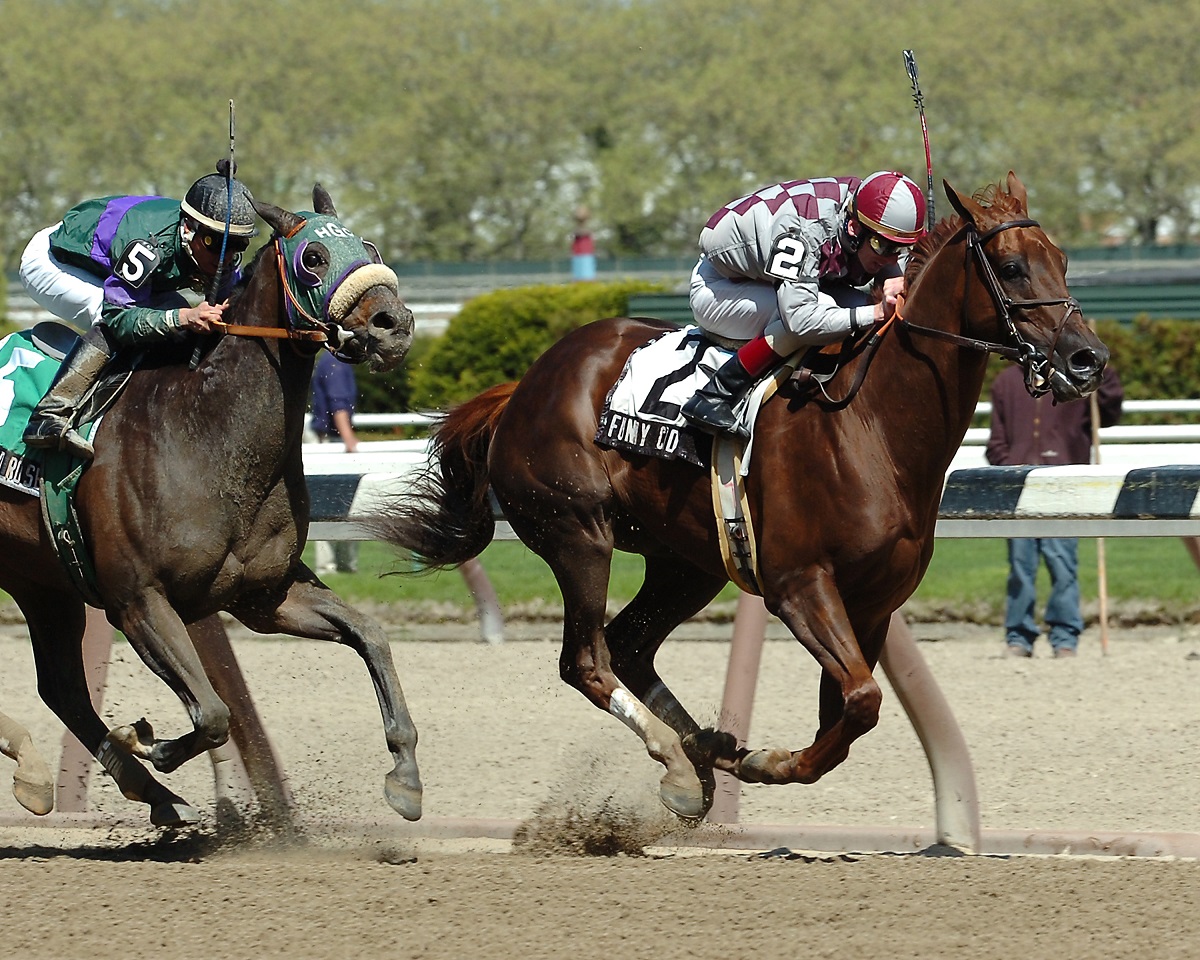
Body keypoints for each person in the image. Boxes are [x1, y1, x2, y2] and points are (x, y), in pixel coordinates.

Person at [18, 160, 258, 461]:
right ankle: (50, 414)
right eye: (214, 242)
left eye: (238, 244)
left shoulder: (223, 253)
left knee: (180, 318)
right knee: (116, 317)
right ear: (188, 228)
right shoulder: (148, 245)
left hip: (110, 262)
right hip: (54, 262)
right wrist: (184, 317)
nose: (226, 255)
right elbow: (119, 318)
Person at [681, 171, 927, 439]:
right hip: (720, 288)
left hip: (774, 281)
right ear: (854, 229)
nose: (891, 259)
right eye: (882, 246)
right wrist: (877, 311)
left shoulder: (865, 210)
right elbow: (800, 320)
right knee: (823, 308)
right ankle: (716, 393)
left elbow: (889, 273)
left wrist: (897, 282)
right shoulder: (803, 230)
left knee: (860, 305)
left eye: (899, 249)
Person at [986, 363, 1125, 658]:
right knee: (1021, 567)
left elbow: (1109, 413)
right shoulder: (1007, 382)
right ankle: (1019, 636)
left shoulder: (1075, 380)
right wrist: (1009, 465)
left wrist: (1103, 372)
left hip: (1064, 483)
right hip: (1019, 486)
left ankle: (1064, 636)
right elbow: (995, 442)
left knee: (1062, 563)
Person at [310, 349, 361, 575]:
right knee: (333, 502)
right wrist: (350, 442)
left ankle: (336, 564)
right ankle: (335, 565)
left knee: (333, 502)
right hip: (332, 441)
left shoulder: (331, 361)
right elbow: (338, 405)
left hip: (329, 438)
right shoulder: (336, 364)